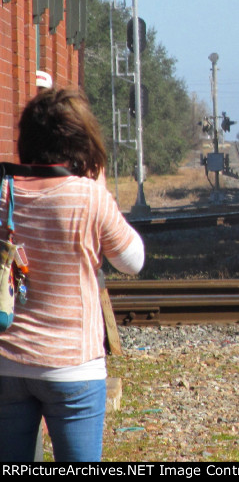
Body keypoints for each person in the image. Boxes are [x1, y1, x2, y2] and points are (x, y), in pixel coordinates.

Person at [0, 88, 144, 462]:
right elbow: (133, 260)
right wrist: (100, 187)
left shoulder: (3, 192)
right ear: (82, 140)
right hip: (73, 368)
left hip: (5, 362)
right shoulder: (88, 196)